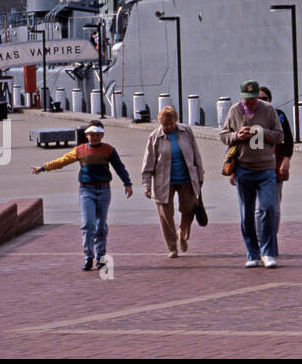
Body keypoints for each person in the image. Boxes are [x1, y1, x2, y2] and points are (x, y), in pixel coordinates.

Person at [31, 121, 133, 270]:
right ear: (86, 135)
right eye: (91, 135)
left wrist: (127, 183)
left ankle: (100, 256)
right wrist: (44, 167)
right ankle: (88, 256)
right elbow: (63, 161)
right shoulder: (80, 150)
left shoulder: (108, 150)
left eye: (97, 135)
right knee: (87, 224)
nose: (94, 138)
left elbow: (119, 167)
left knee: (100, 225)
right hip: (86, 190)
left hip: (104, 189)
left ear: (102, 135)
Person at [219, 80, 282, 268]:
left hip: (266, 168)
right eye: (246, 99)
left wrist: (261, 133)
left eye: (253, 99)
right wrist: (237, 136)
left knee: (268, 208)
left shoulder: (269, 110)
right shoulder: (234, 111)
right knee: (246, 213)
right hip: (243, 168)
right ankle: (252, 253)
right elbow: (223, 135)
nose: (250, 103)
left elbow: (280, 135)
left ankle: (268, 252)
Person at [141, 104, 205, 258]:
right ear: (160, 123)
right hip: (164, 181)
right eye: (165, 124)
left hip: (186, 178)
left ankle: (182, 234)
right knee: (165, 214)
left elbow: (196, 153)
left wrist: (200, 175)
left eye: (171, 123)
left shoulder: (186, 131)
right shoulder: (154, 137)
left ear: (176, 120)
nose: (169, 127)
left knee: (189, 207)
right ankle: (172, 247)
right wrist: (146, 184)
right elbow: (148, 161)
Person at [257, 86, 294, 210]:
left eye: (264, 98)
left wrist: (286, 159)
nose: (261, 101)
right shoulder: (249, 117)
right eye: (258, 98)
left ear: (270, 100)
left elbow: (288, 139)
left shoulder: (279, 115)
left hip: (275, 164)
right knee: (259, 207)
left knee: (274, 204)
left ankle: (272, 229)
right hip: (256, 166)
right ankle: (260, 230)